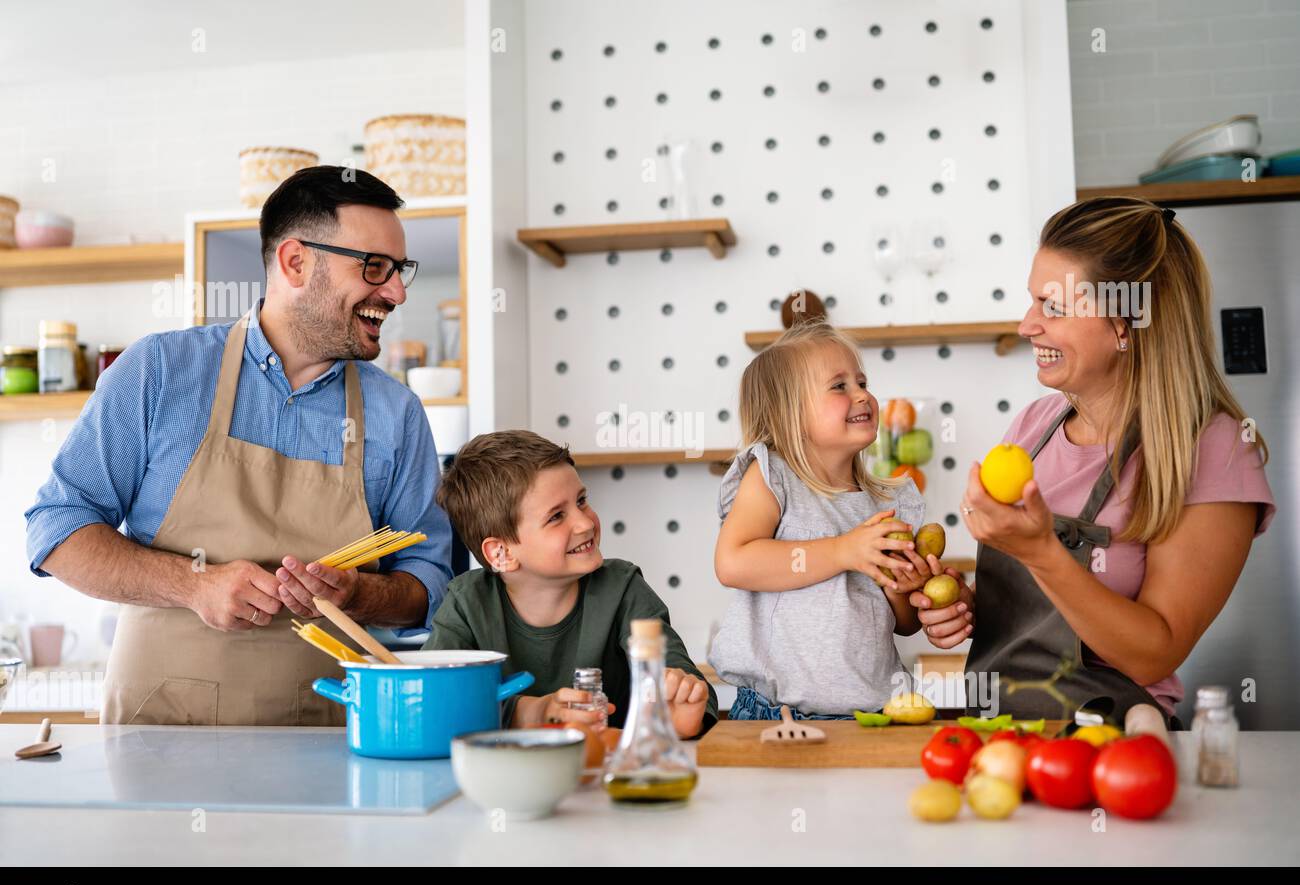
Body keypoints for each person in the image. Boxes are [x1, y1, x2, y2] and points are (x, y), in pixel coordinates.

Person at [26, 166, 453, 725]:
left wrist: (357, 592)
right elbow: (56, 530)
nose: (395, 292)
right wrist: (193, 584)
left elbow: (429, 583)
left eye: (400, 271)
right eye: (374, 267)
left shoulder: (398, 415)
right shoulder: (160, 371)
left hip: (322, 739)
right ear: (296, 262)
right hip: (160, 737)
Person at [912, 198, 1275, 726]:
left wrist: (1042, 552)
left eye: (1052, 307)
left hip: (1110, 746)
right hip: (993, 737)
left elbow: (1155, 651)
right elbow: (1035, 611)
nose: (1027, 325)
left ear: (1126, 322)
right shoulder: (1034, 427)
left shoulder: (1212, 451)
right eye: (1031, 302)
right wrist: (967, 607)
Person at [423, 430, 716, 739]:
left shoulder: (623, 589)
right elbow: (432, 701)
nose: (586, 523)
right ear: (502, 553)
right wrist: (529, 711)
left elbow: (687, 682)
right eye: (556, 516)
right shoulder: (466, 603)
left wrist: (682, 709)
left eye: (582, 501)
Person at [710, 320, 936, 720]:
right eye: (840, 386)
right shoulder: (772, 477)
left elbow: (904, 625)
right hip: (776, 714)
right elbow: (733, 562)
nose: (862, 394)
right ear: (789, 414)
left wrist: (905, 587)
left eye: (862, 382)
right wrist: (843, 550)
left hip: (873, 713)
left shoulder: (890, 502)